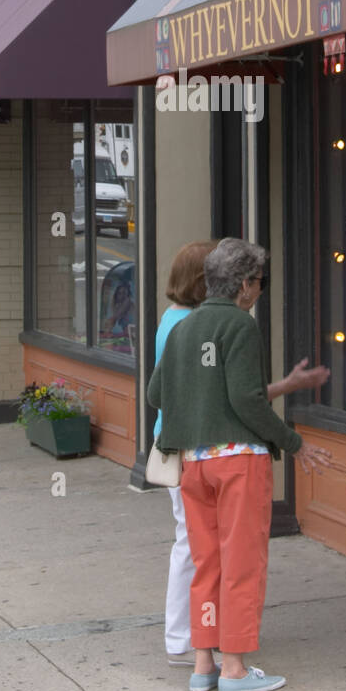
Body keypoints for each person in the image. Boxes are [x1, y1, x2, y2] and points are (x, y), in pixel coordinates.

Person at [148, 237, 331, 691]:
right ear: (245, 284)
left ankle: (203, 662)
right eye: (260, 282)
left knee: (206, 563)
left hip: (193, 464)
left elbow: (156, 395)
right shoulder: (240, 325)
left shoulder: (183, 328)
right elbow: (247, 400)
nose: (260, 291)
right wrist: (293, 443)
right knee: (242, 564)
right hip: (238, 463)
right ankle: (234, 668)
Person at [153, 241, 217, 667]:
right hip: (188, 446)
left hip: (176, 442)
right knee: (193, 545)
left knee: (191, 543)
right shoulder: (189, 326)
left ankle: (189, 635)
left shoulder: (173, 318)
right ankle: (182, 639)